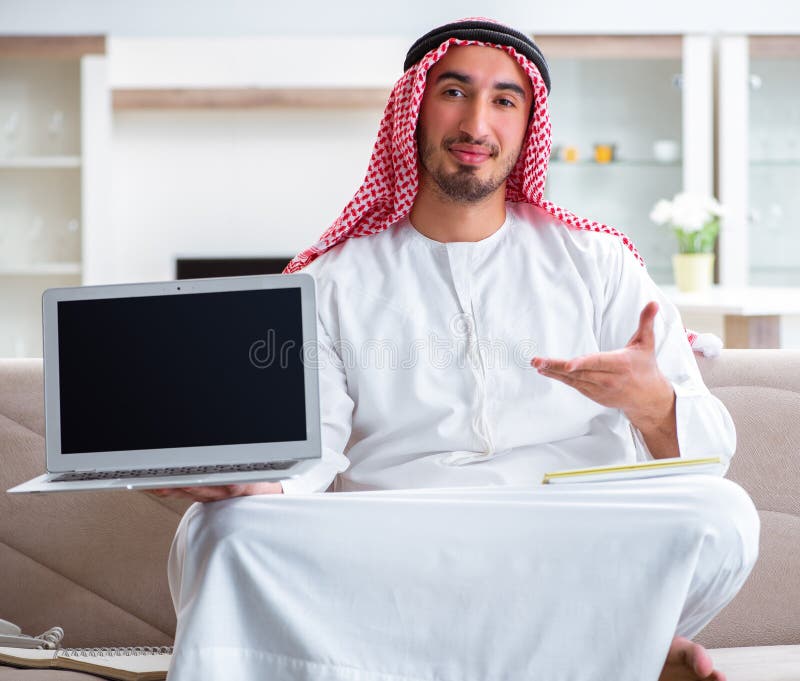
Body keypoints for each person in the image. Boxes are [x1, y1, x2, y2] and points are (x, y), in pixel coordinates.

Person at [152, 19, 758, 681]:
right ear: (412, 111)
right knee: (219, 532)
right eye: (454, 92)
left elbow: (710, 453)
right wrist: (255, 483)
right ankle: (615, 648)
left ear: (529, 127)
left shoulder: (597, 264)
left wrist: (655, 407)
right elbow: (309, 453)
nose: (476, 122)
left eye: (504, 100)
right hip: (402, 540)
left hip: (564, 530)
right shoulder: (333, 281)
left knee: (723, 513)